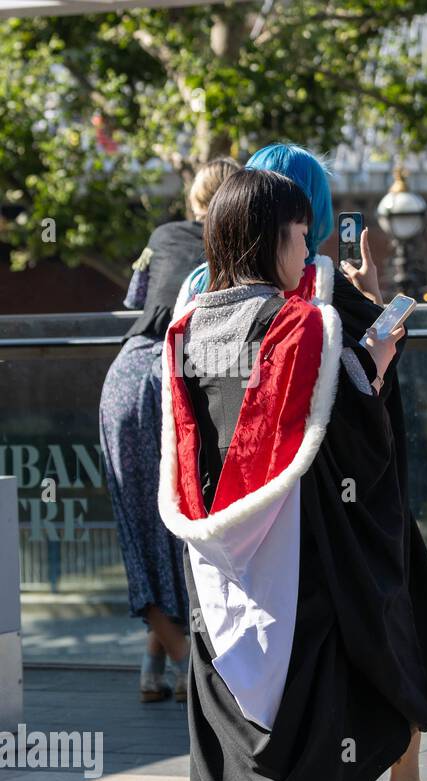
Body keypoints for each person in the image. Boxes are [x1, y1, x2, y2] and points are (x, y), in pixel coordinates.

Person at [159, 168, 427, 781]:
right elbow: (339, 429)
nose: (304, 250)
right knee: (305, 709)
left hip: (211, 555)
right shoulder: (302, 326)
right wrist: (376, 364)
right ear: (268, 238)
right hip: (291, 548)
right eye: (295, 235)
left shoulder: (185, 329)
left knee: (219, 707)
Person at [100, 157, 239, 702]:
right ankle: (188, 668)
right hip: (178, 376)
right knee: (181, 523)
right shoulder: (233, 251)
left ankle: (154, 668)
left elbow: (137, 301)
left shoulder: (161, 235)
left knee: (140, 526)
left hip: (126, 372)